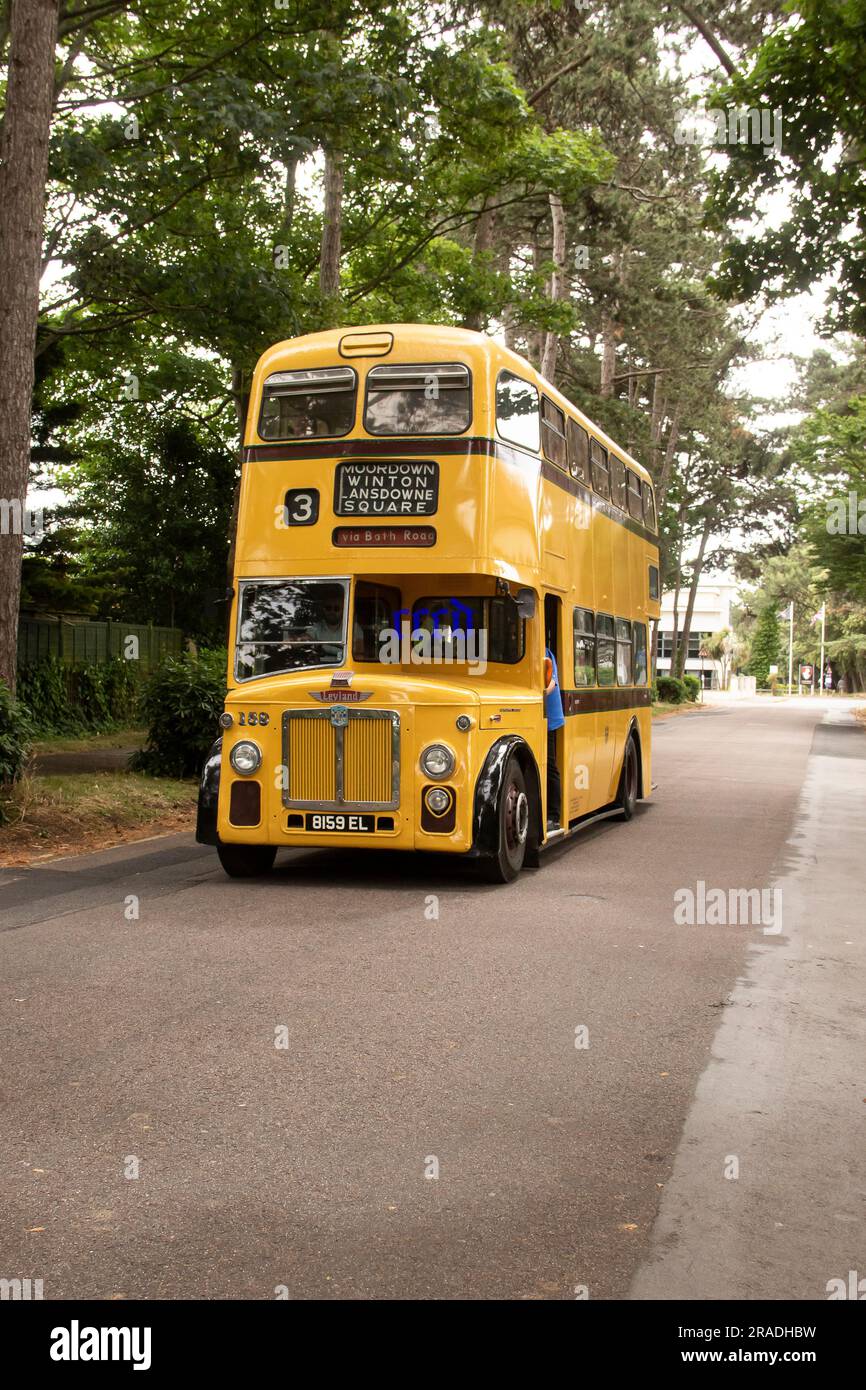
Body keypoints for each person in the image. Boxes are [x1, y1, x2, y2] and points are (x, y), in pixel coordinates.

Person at [544, 644, 564, 831]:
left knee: (549, 765)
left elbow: (552, 683)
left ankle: (553, 816)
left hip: (549, 717)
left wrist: (540, 693)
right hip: (535, 716)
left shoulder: (545, 653)